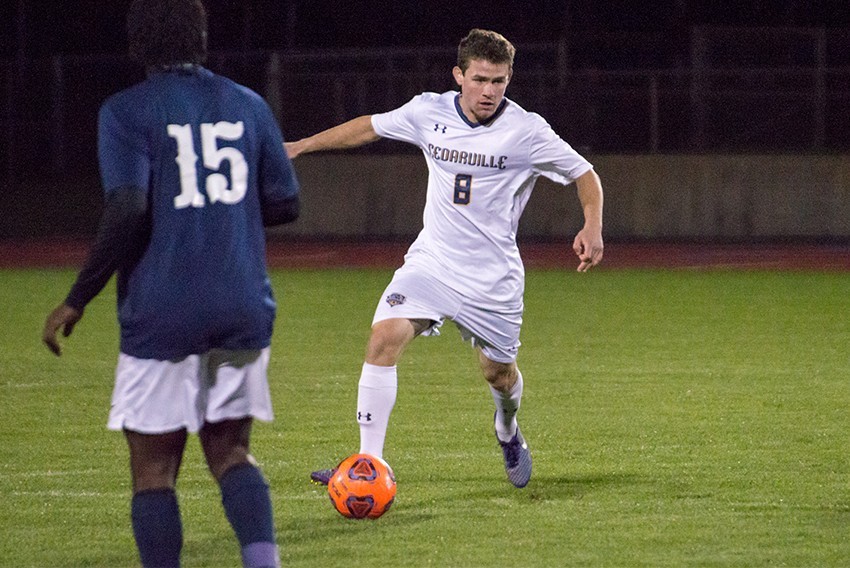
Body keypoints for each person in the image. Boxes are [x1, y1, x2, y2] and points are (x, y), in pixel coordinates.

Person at [41, 1, 300, 566]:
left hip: (162, 309)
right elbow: (286, 202)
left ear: (137, 43)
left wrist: (77, 297)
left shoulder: (126, 111)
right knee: (231, 453)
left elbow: (129, 206)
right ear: (201, 37)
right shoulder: (248, 104)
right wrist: (219, 211)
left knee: (154, 468)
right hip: (241, 306)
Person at [286, 29, 603, 489]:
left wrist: (592, 225)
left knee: (498, 373)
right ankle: (367, 465)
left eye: (499, 81)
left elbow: (584, 174)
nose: (489, 91)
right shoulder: (427, 111)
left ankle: (507, 429)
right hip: (431, 264)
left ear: (509, 79)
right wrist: (300, 146)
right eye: (479, 79)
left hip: (492, 280)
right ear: (459, 75)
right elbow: (368, 126)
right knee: (383, 339)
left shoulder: (527, 131)